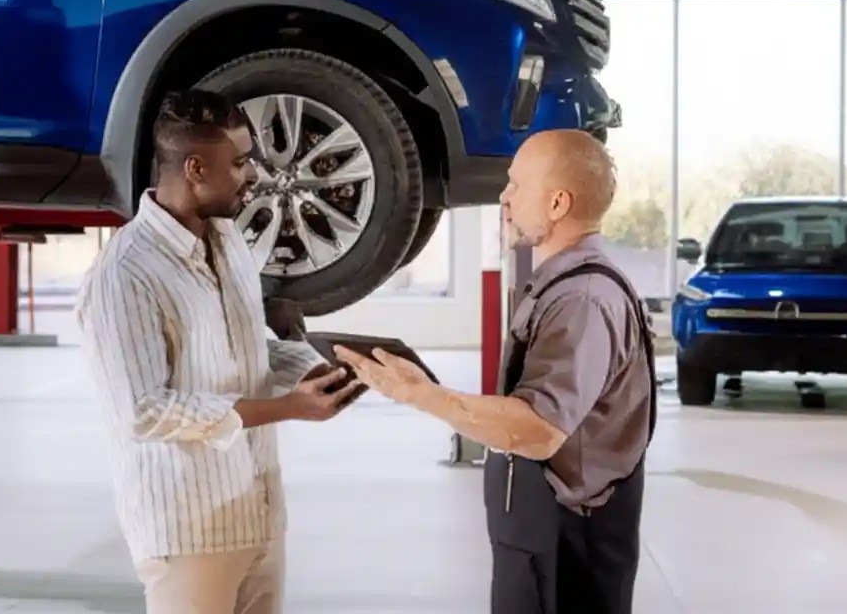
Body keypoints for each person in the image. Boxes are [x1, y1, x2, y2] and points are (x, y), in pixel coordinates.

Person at [335, 128, 657, 614]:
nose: (504, 197)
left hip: (567, 555)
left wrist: (419, 393)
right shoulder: (561, 286)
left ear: (557, 203)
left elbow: (538, 429)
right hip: (541, 539)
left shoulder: (583, 300)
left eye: (517, 185)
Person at [76, 89, 365, 614]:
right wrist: (288, 408)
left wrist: (317, 369)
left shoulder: (228, 238)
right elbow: (144, 409)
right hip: (190, 531)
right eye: (239, 162)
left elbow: (243, 351)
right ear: (195, 168)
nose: (253, 174)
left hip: (258, 513)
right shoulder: (125, 273)